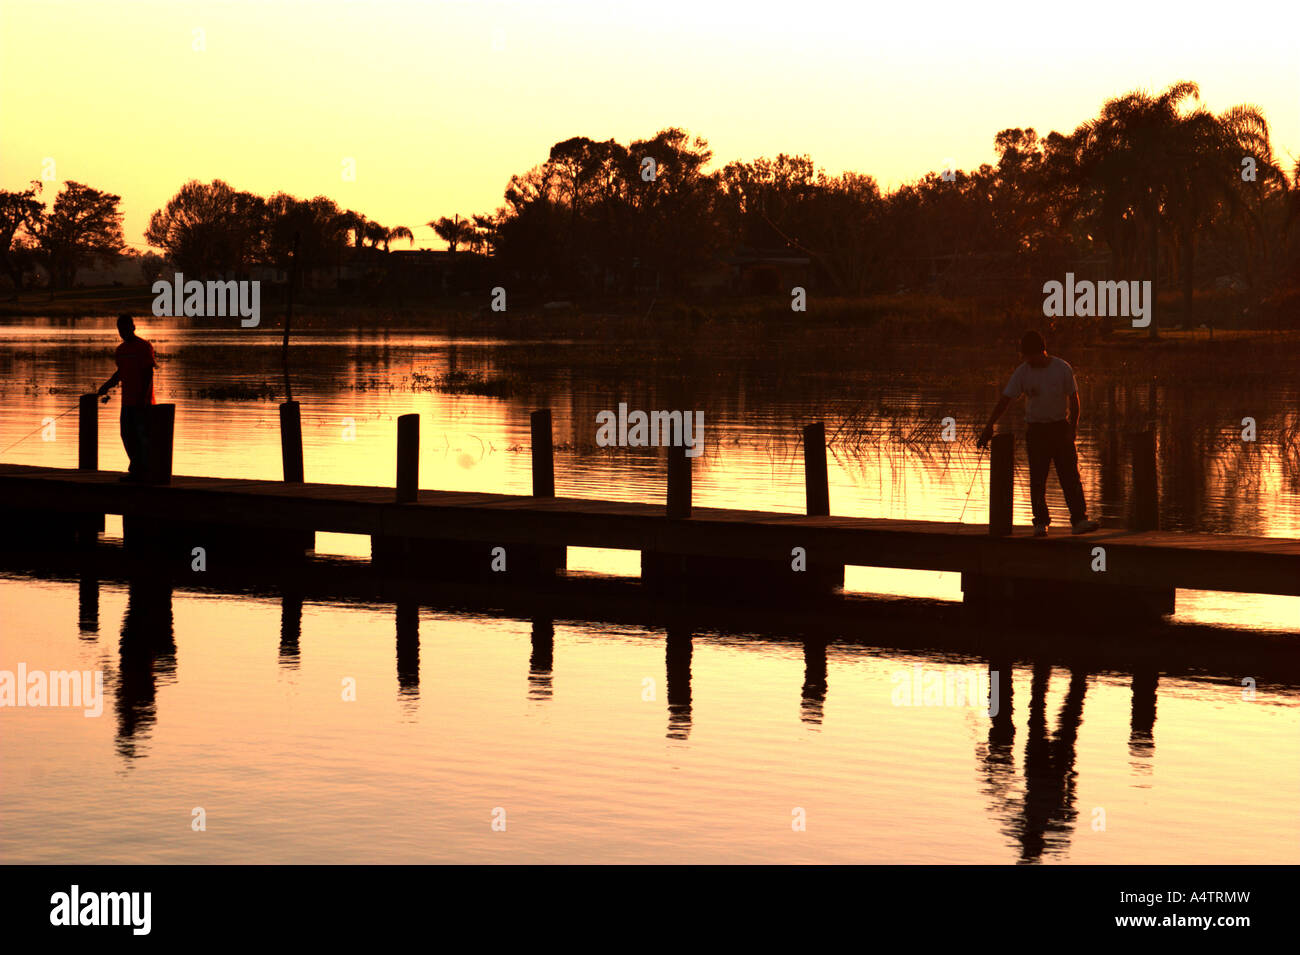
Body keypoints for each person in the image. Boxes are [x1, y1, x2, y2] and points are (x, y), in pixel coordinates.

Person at [977, 330, 1100, 537]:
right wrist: (989, 425)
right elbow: (1005, 400)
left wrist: (1073, 428)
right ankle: (1040, 522)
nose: (1027, 360)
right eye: (1025, 356)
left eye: (1029, 356)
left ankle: (1079, 520)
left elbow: (1074, 399)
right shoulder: (1023, 372)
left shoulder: (1062, 368)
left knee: (1070, 477)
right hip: (1036, 430)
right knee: (1037, 478)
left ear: (1041, 352)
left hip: (1060, 428)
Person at [97, 313, 157, 482]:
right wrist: (106, 386)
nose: (123, 332)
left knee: (141, 436)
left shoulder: (144, 347)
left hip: (142, 402)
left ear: (133, 328)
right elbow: (120, 373)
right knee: (126, 434)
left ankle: (143, 471)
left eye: (125, 328)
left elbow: (147, 374)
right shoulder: (121, 350)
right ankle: (136, 469)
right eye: (120, 329)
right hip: (127, 402)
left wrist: (144, 399)